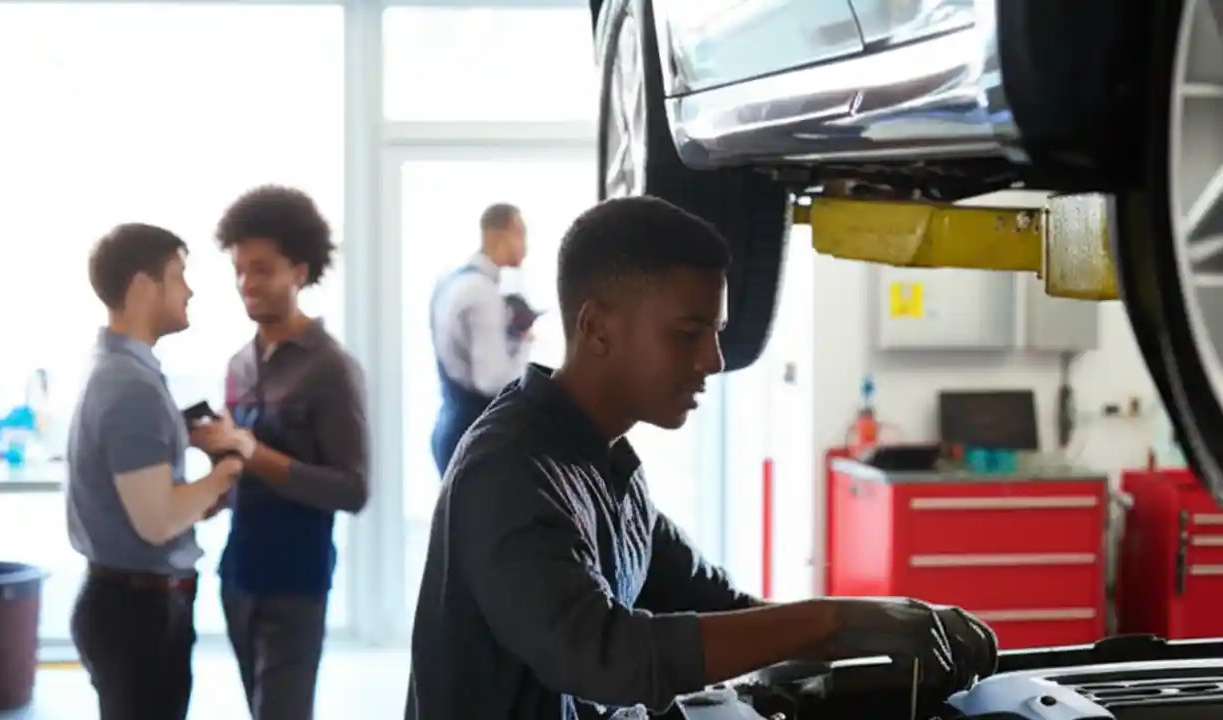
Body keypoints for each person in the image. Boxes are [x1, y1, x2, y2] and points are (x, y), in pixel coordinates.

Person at [405, 197, 996, 720]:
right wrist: (834, 620)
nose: (714, 360)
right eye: (689, 333)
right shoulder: (509, 472)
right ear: (597, 328)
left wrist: (885, 623)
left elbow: (722, 608)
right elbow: (609, 658)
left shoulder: (606, 464)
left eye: (716, 332)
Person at [189, 185, 370, 720]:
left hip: (297, 581)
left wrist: (253, 450)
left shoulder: (331, 368)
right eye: (240, 271)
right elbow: (236, 475)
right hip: (238, 574)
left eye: (262, 270)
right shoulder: (238, 365)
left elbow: (353, 490)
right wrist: (211, 475)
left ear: (299, 269)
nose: (247, 284)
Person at [66, 223, 242, 720]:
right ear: (144, 286)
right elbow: (158, 520)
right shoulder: (132, 387)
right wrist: (231, 465)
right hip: (136, 616)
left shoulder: (124, 372)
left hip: (129, 606)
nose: (189, 290)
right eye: (179, 276)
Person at [428, 202, 534, 475]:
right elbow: (494, 382)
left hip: (450, 427)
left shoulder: (449, 281)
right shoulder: (482, 293)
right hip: (474, 436)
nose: (526, 246)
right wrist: (523, 343)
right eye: (521, 233)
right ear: (500, 234)